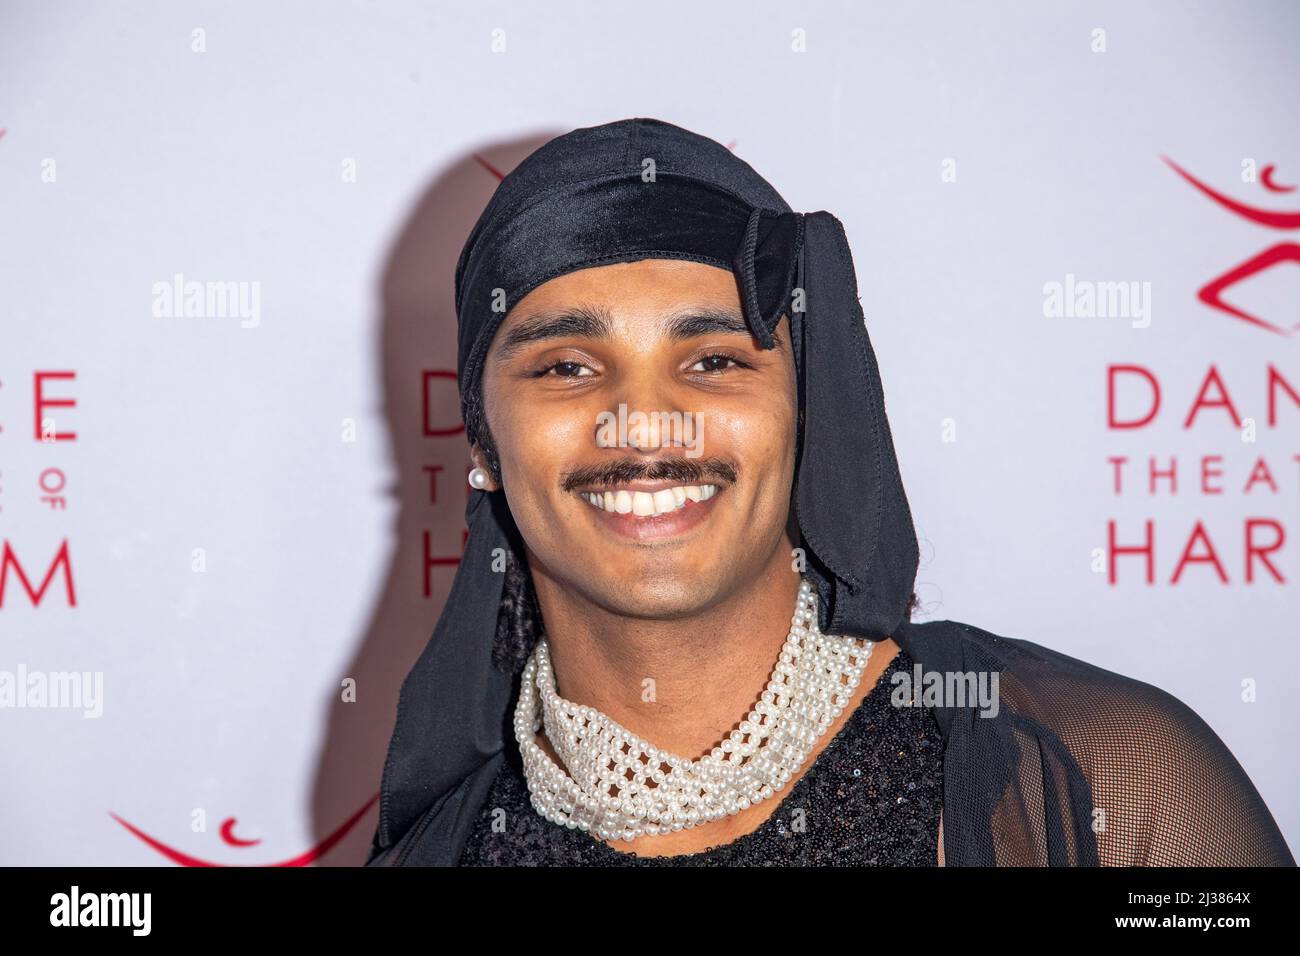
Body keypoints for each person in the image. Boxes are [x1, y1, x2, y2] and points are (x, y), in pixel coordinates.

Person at [365, 117, 1295, 867]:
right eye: (568, 366)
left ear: (810, 406)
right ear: (481, 441)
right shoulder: (443, 850)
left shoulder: (1098, 784)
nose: (644, 424)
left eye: (716, 359)